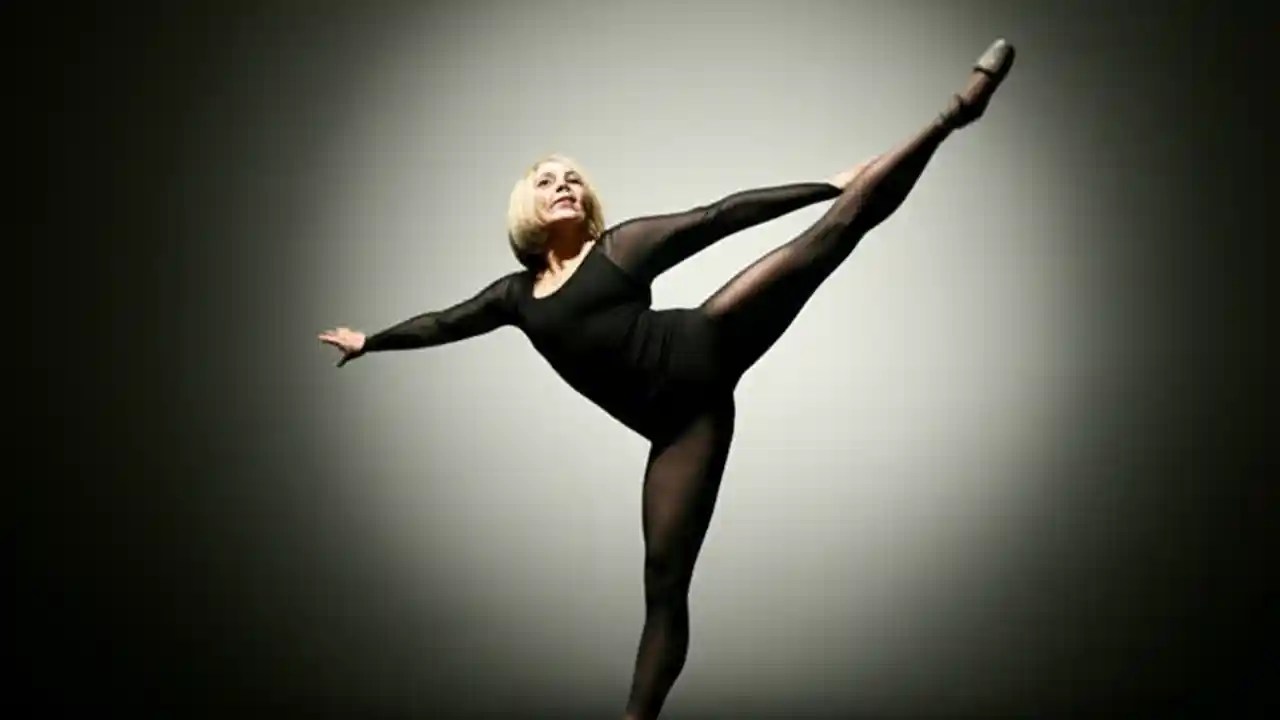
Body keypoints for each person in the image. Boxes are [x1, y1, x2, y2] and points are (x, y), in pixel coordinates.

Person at [319, 38, 1016, 720]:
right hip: (682, 429)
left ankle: (953, 114)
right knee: (663, 585)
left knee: (833, 231)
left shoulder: (618, 248)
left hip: (707, 342)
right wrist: (370, 342)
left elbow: (717, 217)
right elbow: (445, 322)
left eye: (572, 179)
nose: (564, 186)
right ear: (526, 206)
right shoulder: (514, 297)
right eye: (547, 181)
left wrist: (826, 185)